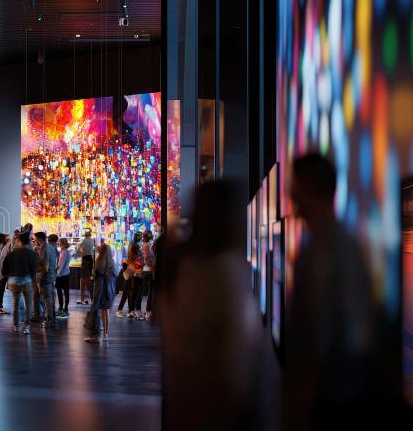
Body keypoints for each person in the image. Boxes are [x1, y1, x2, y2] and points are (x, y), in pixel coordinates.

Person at [284, 154, 389, 430]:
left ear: (310, 188)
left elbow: (329, 335)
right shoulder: (324, 245)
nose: (290, 192)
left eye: (296, 184)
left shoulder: (331, 250)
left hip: (333, 401)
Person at [160, 181, 262, 430]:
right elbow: (237, 352)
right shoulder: (227, 270)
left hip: (182, 397)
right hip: (219, 404)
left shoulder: (181, 267)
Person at [2, 231, 38, 334]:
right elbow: (34, 268)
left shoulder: (12, 254)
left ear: (19, 241)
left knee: (15, 304)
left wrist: (8, 276)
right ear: (28, 242)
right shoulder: (32, 254)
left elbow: (4, 268)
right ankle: (26, 326)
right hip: (26, 280)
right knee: (28, 304)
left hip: (13, 281)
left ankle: (16, 326)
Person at [84, 243, 117, 343]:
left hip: (100, 290)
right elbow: (115, 274)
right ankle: (106, 335)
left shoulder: (99, 262)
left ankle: (96, 335)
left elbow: (93, 276)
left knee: (98, 313)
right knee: (106, 313)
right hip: (109, 291)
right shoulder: (112, 263)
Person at [0, 232, 13, 314]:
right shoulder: (3, 247)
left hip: (1, 271)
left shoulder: (0, 247)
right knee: (1, 289)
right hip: (3, 271)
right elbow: (2, 260)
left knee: (1, 289)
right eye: (5, 237)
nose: (7, 238)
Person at [43, 234, 59, 327]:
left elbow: (46, 265)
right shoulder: (55, 249)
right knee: (52, 296)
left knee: (48, 298)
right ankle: (52, 316)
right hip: (53, 274)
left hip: (48, 275)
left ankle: (50, 318)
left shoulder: (47, 248)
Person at [32, 232, 48, 323]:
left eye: (35, 238)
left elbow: (43, 263)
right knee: (37, 295)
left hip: (41, 274)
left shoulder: (44, 248)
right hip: (38, 274)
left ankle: (45, 314)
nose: (34, 240)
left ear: (39, 239)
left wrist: (35, 256)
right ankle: (38, 314)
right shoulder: (40, 248)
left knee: (43, 296)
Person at [77, 228, 95, 304]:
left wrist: (81, 254)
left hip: (85, 259)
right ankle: (91, 298)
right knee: (88, 278)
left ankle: (83, 299)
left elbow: (78, 250)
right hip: (90, 259)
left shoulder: (84, 240)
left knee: (84, 279)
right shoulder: (92, 240)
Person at [55, 238, 72, 317]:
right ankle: (62, 306)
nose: (58, 243)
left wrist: (58, 273)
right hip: (63, 273)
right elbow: (60, 263)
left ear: (63, 243)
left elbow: (62, 264)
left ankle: (64, 307)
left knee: (65, 291)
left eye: (59, 242)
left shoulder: (65, 252)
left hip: (63, 274)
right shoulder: (62, 251)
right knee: (61, 291)